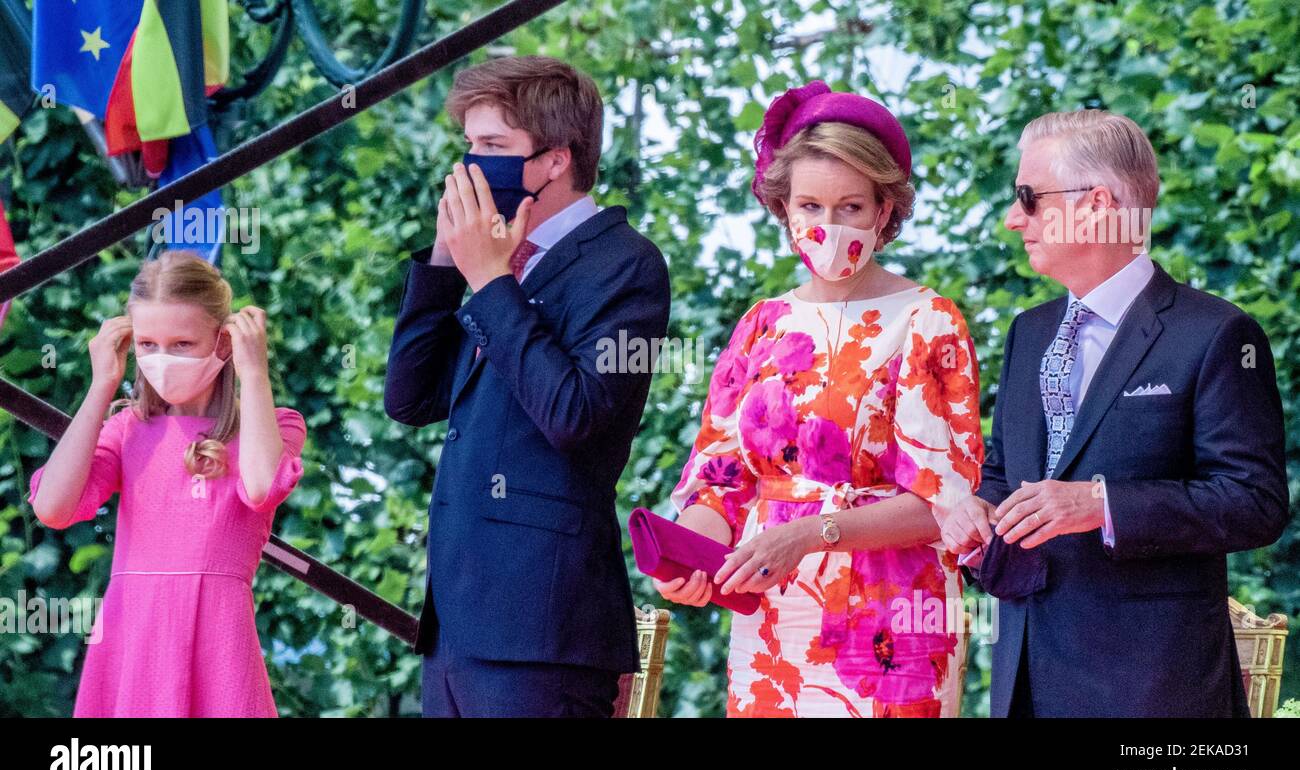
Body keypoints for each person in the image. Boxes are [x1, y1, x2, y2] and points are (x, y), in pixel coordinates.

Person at [940, 109, 1289, 717]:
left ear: (1098, 203)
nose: (1013, 218)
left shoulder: (1217, 333)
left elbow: (1255, 503)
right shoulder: (1029, 332)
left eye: (1029, 197)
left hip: (1153, 692)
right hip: (1024, 677)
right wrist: (979, 514)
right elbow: (1006, 473)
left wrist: (1100, 504)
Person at [660, 81, 984, 718]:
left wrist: (812, 533)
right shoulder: (761, 324)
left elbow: (941, 506)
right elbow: (717, 482)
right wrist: (690, 558)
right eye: (809, 206)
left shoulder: (931, 321)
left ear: (886, 210)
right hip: (771, 613)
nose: (827, 227)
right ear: (783, 208)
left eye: (850, 207)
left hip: (894, 619)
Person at [384, 55, 671, 717]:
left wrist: (492, 284)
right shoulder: (497, 255)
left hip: (546, 636)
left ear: (553, 161)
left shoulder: (624, 263)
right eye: (468, 147)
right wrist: (442, 259)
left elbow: (575, 415)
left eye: (492, 147)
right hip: (454, 631)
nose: (469, 167)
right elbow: (410, 398)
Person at [28, 250, 306, 717]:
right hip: (132, 649)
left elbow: (262, 488)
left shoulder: (275, 425)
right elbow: (53, 507)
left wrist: (254, 373)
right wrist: (101, 387)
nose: (162, 360)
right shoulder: (126, 429)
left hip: (219, 651)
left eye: (182, 344)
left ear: (223, 343)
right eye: (147, 344)